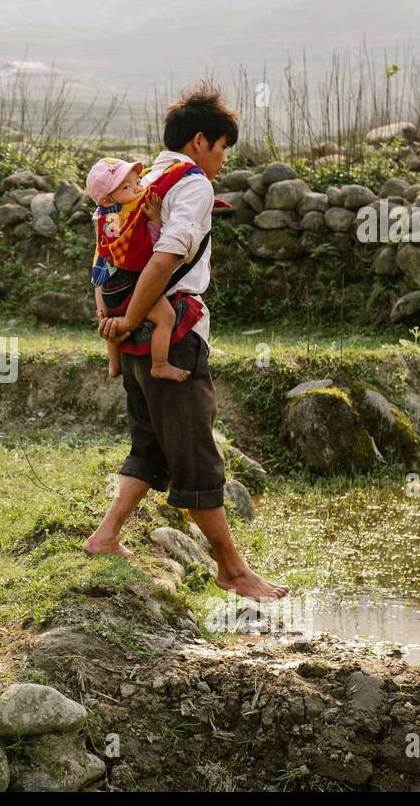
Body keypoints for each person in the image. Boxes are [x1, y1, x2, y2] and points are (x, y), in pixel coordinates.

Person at [83, 83, 288, 602]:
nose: (222, 160)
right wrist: (132, 318)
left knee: (148, 445)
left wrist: (117, 319)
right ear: (200, 141)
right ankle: (233, 570)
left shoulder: (145, 177)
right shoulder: (190, 183)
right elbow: (165, 258)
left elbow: (111, 258)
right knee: (197, 459)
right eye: (222, 148)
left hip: (132, 342)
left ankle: (105, 535)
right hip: (169, 336)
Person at [86, 157, 190, 383]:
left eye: (136, 182)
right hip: (131, 286)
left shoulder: (104, 219)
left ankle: (114, 365)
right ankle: (160, 364)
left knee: (111, 320)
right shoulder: (126, 217)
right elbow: (149, 249)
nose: (136, 189)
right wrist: (154, 219)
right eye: (126, 187)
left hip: (111, 290)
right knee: (166, 317)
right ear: (106, 199)